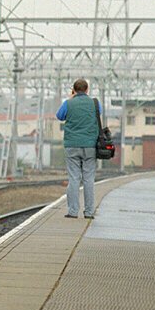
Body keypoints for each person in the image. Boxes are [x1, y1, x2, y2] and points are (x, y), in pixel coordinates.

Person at [55, 78, 101, 219]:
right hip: (90, 146)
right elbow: (98, 115)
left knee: (74, 178)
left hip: (72, 145)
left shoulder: (68, 103)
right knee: (88, 179)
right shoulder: (95, 103)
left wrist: (71, 98)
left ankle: (73, 211)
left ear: (74, 90)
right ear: (87, 89)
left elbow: (59, 116)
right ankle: (89, 212)